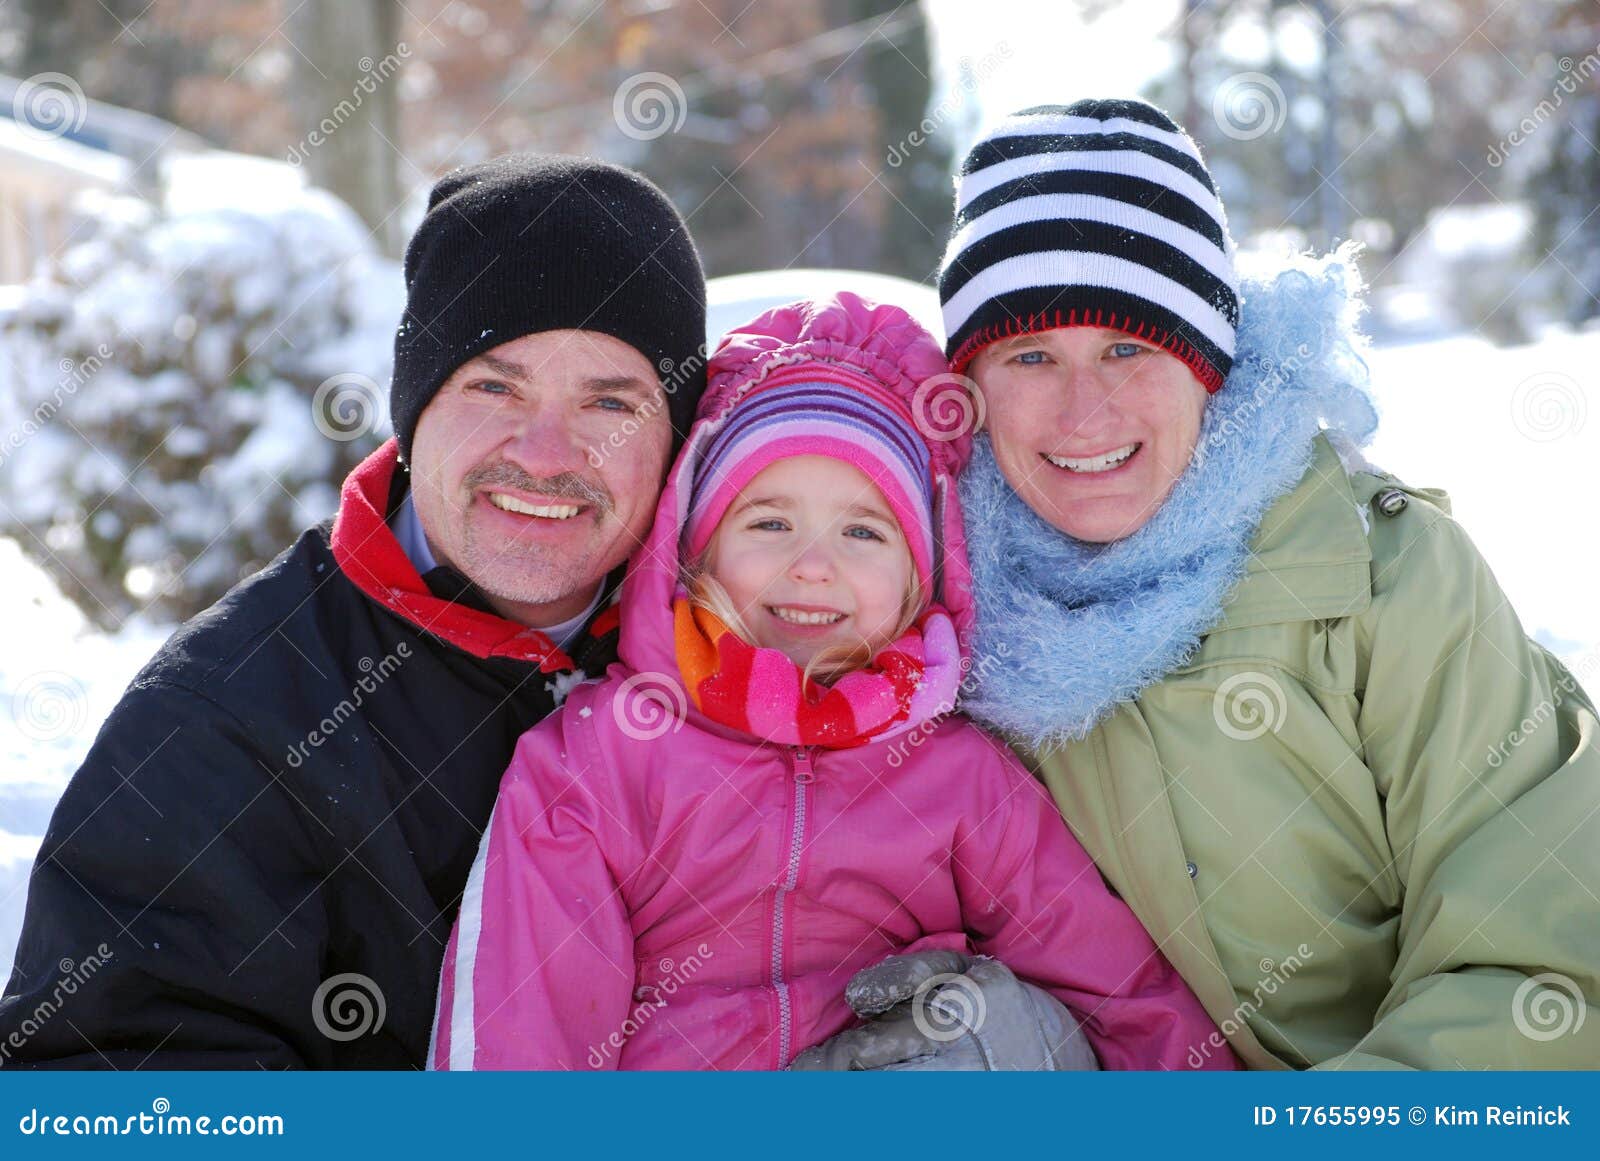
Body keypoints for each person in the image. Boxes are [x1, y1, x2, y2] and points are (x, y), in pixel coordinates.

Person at [805, 98, 1600, 1070]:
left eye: (1128, 347)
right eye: (1030, 354)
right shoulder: (925, 618)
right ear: (971, 385)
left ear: (1208, 366)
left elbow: (1536, 965)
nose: (1082, 408)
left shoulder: (1380, 577)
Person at [0, 155, 707, 1068]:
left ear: (675, 439)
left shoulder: (751, 673)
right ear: (415, 413)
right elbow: (98, 1095)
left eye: (610, 402)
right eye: (495, 387)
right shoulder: (229, 716)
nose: (543, 453)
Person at [427, 293, 1236, 1071]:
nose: (813, 565)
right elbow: (522, 1031)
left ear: (920, 577)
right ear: (696, 547)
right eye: (769, 522)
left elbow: (1124, 994)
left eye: (863, 530)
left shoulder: (961, 778)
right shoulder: (603, 758)